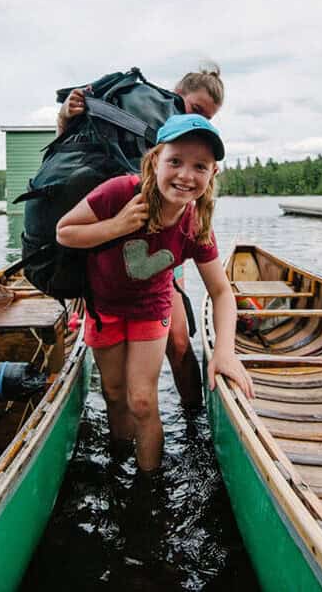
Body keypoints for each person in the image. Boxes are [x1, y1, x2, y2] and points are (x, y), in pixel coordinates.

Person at [56, 114, 254, 471]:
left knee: (143, 402)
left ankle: (147, 486)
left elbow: (221, 292)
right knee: (114, 395)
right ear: (155, 160)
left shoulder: (195, 223)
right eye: (175, 161)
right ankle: (119, 462)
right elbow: (64, 232)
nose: (185, 175)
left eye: (200, 166)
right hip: (104, 309)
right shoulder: (119, 192)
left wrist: (224, 352)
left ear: (212, 175)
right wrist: (117, 226)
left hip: (151, 309)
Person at [57, 64, 224, 408]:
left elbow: (198, 192)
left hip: (164, 252)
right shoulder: (139, 114)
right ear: (175, 94)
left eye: (211, 117)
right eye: (197, 110)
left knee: (178, 342)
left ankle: (195, 416)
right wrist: (64, 118)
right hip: (110, 247)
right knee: (120, 386)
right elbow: (71, 155)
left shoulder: (193, 142)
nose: (204, 120)